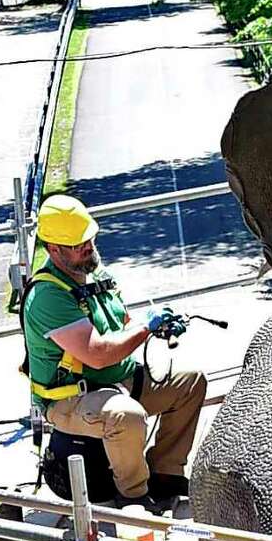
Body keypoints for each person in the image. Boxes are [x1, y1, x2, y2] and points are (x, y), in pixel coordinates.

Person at [21, 194, 207, 509]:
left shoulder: (94, 272)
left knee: (190, 383)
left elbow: (124, 321)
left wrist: (157, 325)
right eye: (79, 244)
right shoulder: (47, 296)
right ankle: (134, 496)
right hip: (71, 398)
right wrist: (147, 328)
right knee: (126, 416)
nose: (89, 247)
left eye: (90, 239)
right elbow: (98, 354)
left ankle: (165, 472)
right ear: (53, 249)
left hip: (118, 380)